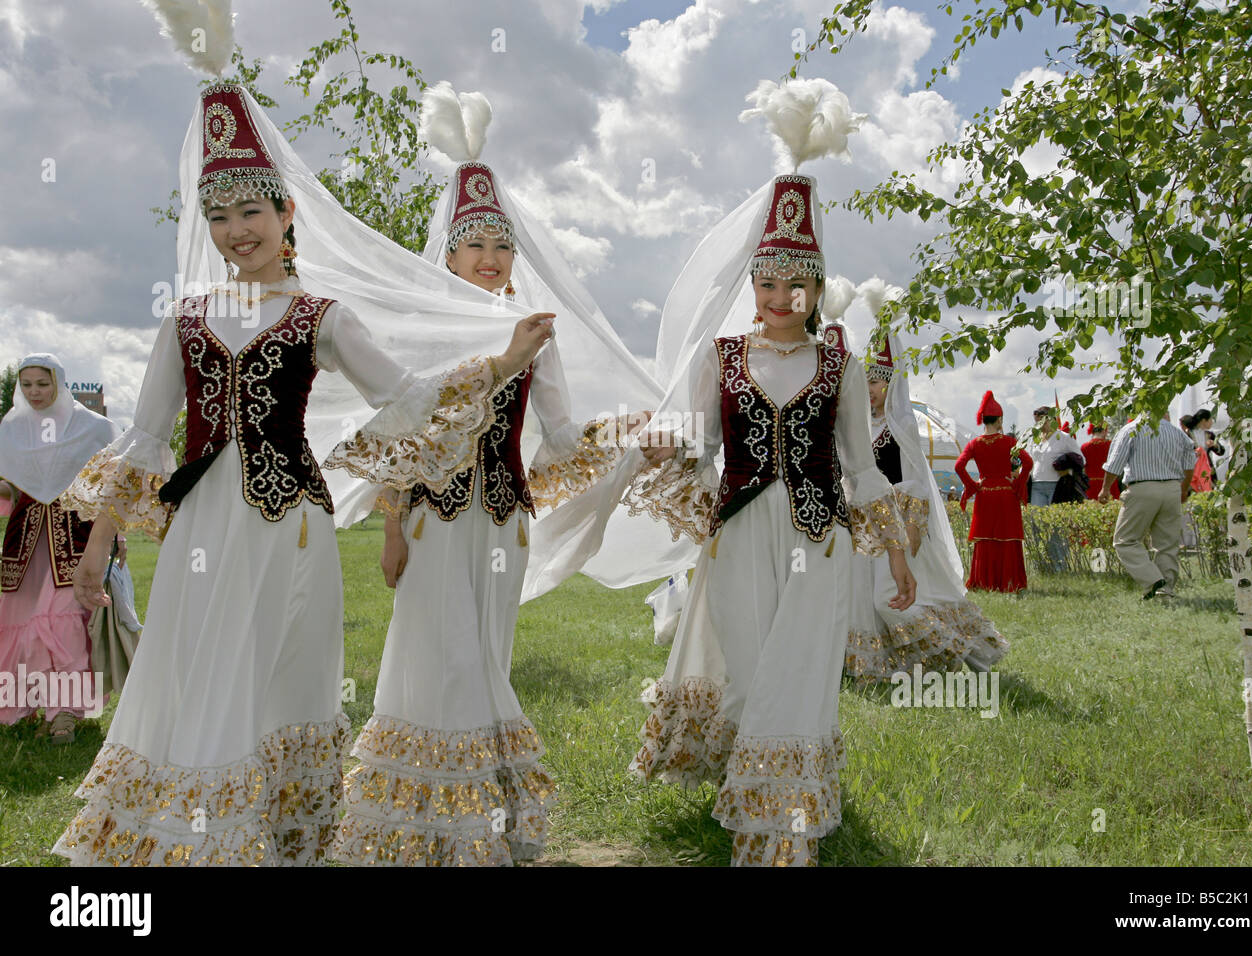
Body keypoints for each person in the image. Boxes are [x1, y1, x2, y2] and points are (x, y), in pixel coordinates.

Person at [52, 76, 552, 866]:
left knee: (283, 679)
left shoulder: (321, 316)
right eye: (218, 215)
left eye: (251, 211)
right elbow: (144, 443)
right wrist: (94, 547)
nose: (234, 230)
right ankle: (193, 845)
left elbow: (408, 399)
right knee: (197, 673)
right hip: (205, 530)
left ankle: (272, 845)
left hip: (295, 533)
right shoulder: (183, 320)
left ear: (288, 215)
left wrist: (505, 362)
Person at [327, 90, 630, 866]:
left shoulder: (536, 331)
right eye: (474, 245)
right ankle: (428, 821)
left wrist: (630, 440)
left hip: (504, 521)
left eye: (500, 243)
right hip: (432, 518)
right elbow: (406, 431)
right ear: (450, 254)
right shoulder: (420, 331)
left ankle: (475, 818)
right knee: (440, 654)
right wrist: (391, 529)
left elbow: (560, 436)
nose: (489, 257)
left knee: (483, 655)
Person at [626, 171, 916, 866]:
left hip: (819, 538)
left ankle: (785, 818)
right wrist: (666, 441)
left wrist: (898, 552)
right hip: (739, 535)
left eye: (796, 283)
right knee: (754, 672)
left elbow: (862, 464)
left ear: (816, 289)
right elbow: (699, 440)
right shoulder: (721, 357)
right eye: (768, 282)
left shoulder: (841, 366)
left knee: (803, 670)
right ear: (752, 284)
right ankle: (760, 798)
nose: (780, 297)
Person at [845, 337, 1007, 680]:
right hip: (864, 523)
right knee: (864, 599)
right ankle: (887, 665)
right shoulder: (861, 426)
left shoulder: (900, 424)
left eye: (876, 381)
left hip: (898, 524)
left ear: (892, 383)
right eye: (866, 381)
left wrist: (912, 529)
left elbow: (916, 480)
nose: (870, 389)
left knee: (889, 598)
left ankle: (957, 647)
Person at [0, 355, 120, 742]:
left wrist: (114, 539)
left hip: (77, 538)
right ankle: (22, 706)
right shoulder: (12, 429)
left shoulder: (93, 427)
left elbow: (113, 487)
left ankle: (66, 712)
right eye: (28, 384)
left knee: (65, 623)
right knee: (20, 625)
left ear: (59, 383)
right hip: (26, 542)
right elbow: (13, 489)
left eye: (43, 383)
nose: (35, 392)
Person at [1098, 411, 1197, 600]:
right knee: (1167, 544)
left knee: (1125, 541)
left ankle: (1152, 579)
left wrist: (1105, 489)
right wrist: (1183, 489)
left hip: (1142, 488)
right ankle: (1165, 590)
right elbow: (1190, 462)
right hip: (1172, 488)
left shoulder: (1130, 430)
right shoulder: (1177, 432)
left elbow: (1114, 464)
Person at [955, 392, 1033, 593]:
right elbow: (1028, 462)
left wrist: (973, 485)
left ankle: (983, 581)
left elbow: (959, 466)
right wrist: (1017, 484)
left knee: (986, 538)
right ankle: (1009, 582)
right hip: (1006, 495)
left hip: (985, 495)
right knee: (1007, 536)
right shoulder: (1009, 442)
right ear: (999, 419)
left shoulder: (974, 443)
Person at [1025, 406, 1081, 570]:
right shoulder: (1033, 439)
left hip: (1057, 485)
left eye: (1041, 420)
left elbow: (1080, 459)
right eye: (1036, 421)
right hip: (1037, 485)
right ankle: (1040, 563)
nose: (1039, 424)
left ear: (1051, 419)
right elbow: (1030, 461)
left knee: (1057, 526)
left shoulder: (1064, 438)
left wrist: (1068, 470)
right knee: (1037, 525)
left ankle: (1059, 565)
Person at [1080, 423, 1113, 500]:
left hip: (1091, 485)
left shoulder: (1084, 447)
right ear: (1105, 431)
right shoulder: (1110, 444)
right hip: (1109, 484)